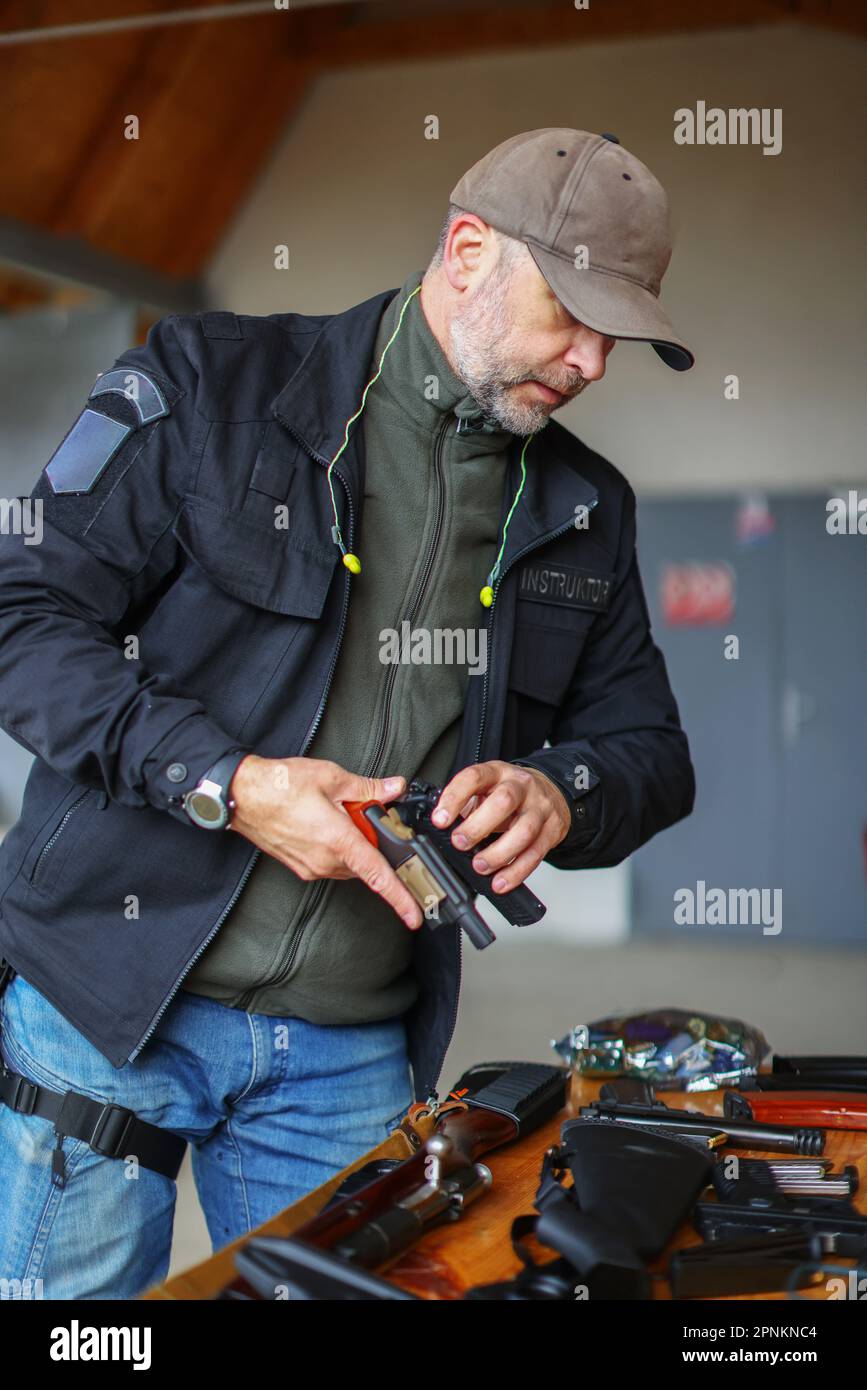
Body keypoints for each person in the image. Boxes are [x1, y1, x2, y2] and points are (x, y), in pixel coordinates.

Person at [0, 128, 695, 1297]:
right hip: (101, 1005)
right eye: (567, 315)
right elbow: (20, 614)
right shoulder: (204, 387)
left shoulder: (585, 508)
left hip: (347, 1053)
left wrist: (556, 792)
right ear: (467, 251)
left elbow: (653, 755)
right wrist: (231, 782)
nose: (589, 362)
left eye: (614, 334)